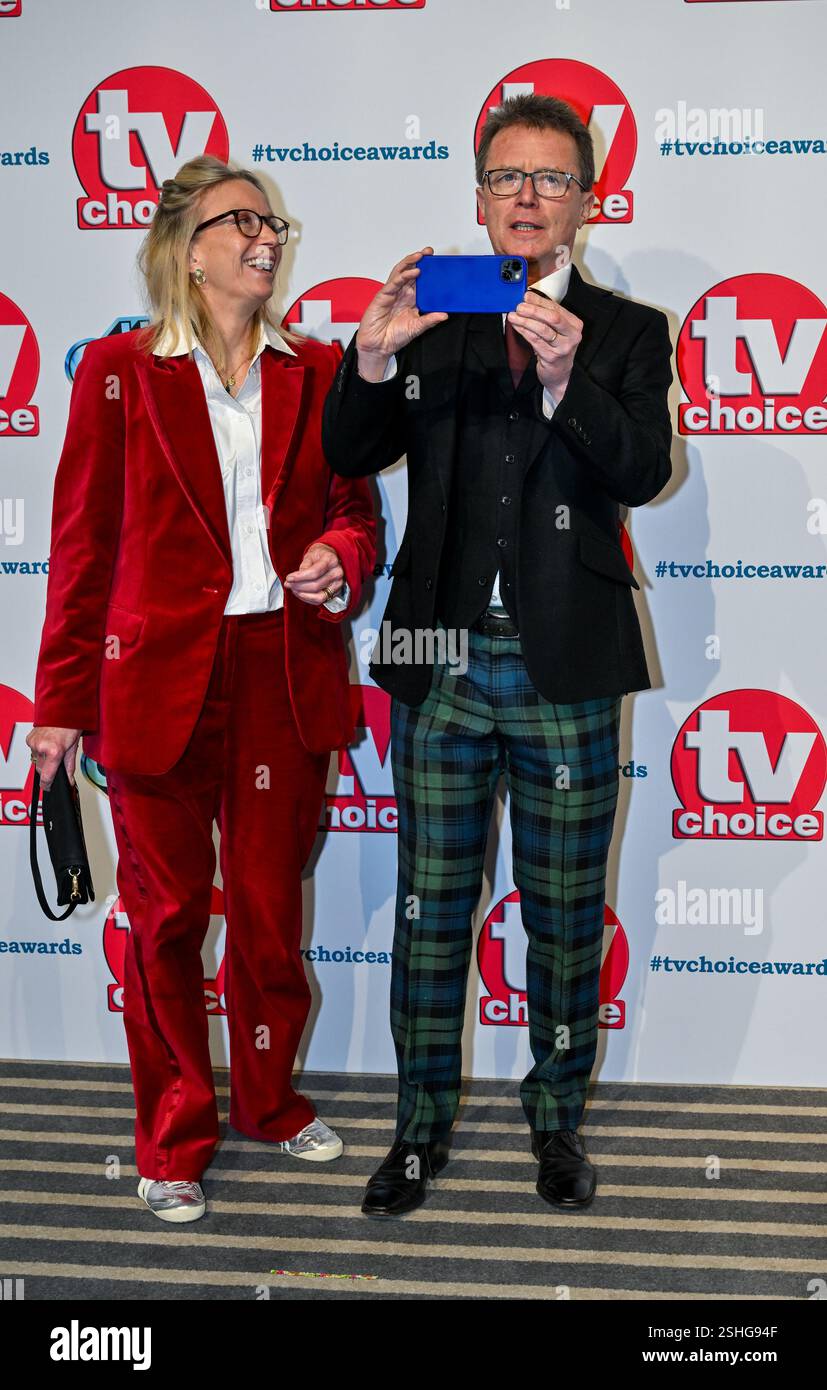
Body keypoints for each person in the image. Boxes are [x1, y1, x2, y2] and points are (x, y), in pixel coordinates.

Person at [323, 94, 673, 1217]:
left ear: (585, 200)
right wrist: (370, 359)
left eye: (550, 179)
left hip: (566, 655)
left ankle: (554, 1121)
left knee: (563, 910)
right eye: (507, 178)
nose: (527, 196)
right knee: (432, 905)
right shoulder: (430, 315)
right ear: (477, 200)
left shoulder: (623, 329)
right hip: (436, 654)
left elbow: (637, 473)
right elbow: (347, 447)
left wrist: (572, 381)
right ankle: (418, 1127)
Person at [27, 156, 376, 1223]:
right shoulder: (120, 373)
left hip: (279, 667)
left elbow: (358, 510)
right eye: (241, 223)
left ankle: (269, 1100)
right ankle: (172, 1131)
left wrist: (338, 558)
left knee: (271, 914)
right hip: (158, 682)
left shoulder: (318, 370)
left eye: (272, 222)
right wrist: (58, 703)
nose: (265, 237)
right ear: (188, 248)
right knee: (167, 919)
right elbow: (83, 547)